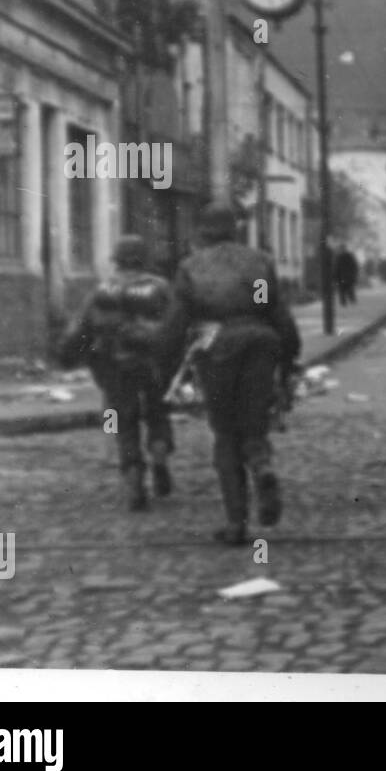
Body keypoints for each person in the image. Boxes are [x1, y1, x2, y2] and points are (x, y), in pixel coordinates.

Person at [174, 204, 302, 544]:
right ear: (235, 229)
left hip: (216, 349)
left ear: (203, 233)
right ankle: (261, 466)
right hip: (260, 344)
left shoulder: (191, 268)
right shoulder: (258, 262)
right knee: (254, 423)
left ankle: (236, 523)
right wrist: (289, 355)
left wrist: (167, 367)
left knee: (226, 432)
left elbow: (178, 320)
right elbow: (273, 309)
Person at [57, 235, 181, 512]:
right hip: (152, 365)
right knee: (158, 414)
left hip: (114, 366)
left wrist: (66, 355)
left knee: (124, 423)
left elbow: (81, 328)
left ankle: (134, 477)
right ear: (144, 260)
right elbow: (176, 325)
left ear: (117, 261)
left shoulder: (102, 289)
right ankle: (160, 456)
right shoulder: (160, 287)